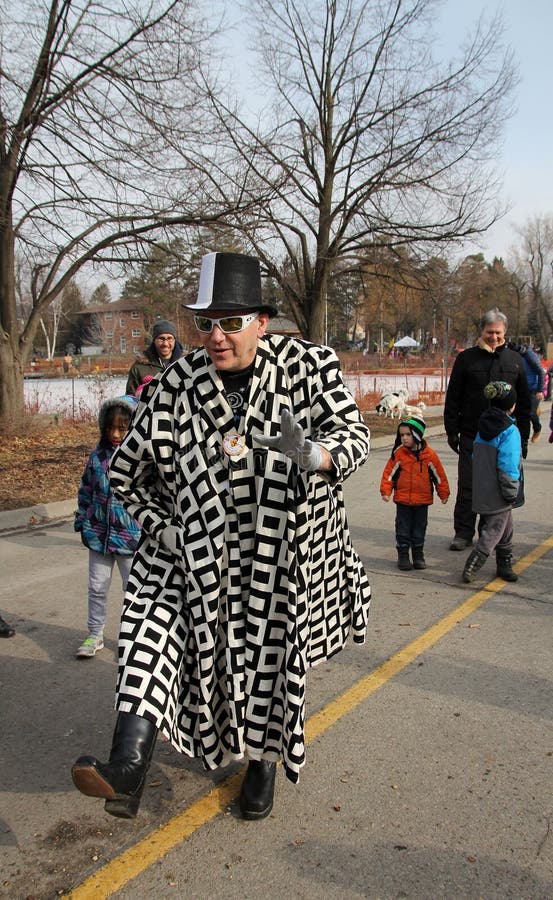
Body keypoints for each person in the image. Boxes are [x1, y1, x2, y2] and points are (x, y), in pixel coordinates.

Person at [71, 251, 371, 822]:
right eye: (205, 323)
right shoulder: (175, 385)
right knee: (147, 631)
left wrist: (318, 454)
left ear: (262, 321)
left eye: (231, 322)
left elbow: (353, 432)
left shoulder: (310, 365)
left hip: (275, 553)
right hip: (194, 551)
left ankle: (261, 762)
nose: (215, 336)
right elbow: (126, 472)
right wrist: (163, 532)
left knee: (262, 663)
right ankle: (126, 767)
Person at [444, 309, 530, 551]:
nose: (494, 337)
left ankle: (488, 533)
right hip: (472, 435)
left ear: (505, 332)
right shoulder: (466, 359)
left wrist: (523, 438)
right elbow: (454, 398)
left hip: (504, 439)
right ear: (482, 331)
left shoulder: (514, 360)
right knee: (468, 486)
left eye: (498, 333)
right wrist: (452, 430)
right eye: (490, 332)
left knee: (495, 489)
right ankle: (462, 532)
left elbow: (523, 402)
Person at [73, 397, 141, 659]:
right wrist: (82, 519)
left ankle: (134, 637)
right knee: (97, 587)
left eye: (122, 428)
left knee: (133, 589)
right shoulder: (97, 456)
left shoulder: (140, 457)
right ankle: (94, 634)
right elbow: (86, 490)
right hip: (98, 534)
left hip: (131, 537)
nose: (115, 434)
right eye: (110, 428)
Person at [462, 381, 523, 584]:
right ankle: (473, 564)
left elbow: (476, 458)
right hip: (499, 490)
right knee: (495, 529)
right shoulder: (509, 431)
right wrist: (511, 490)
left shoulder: (483, 426)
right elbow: (508, 464)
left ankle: (504, 565)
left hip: (483, 488)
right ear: (512, 405)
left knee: (507, 527)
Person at [380, 415, 450, 571]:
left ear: (417, 435)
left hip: (422, 501)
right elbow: (389, 474)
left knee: (419, 529)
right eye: (402, 435)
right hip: (403, 500)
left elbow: (439, 476)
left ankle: (418, 555)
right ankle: (403, 556)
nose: (404, 438)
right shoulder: (399, 454)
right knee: (403, 528)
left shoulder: (429, 455)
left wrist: (443, 493)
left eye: (408, 435)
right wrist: (386, 490)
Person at [125, 319, 184, 395]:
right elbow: (130, 399)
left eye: (169, 338)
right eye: (161, 339)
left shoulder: (186, 363)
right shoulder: (140, 366)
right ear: (154, 340)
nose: (165, 343)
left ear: (174, 340)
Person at [508, 343, 545, 442]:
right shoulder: (513, 357)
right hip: (521, 389)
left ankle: (537, 428)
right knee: (516, 413)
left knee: (531, 414)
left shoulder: (529, 355)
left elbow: (541, 371)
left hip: (533, 389)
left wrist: (540, 390)